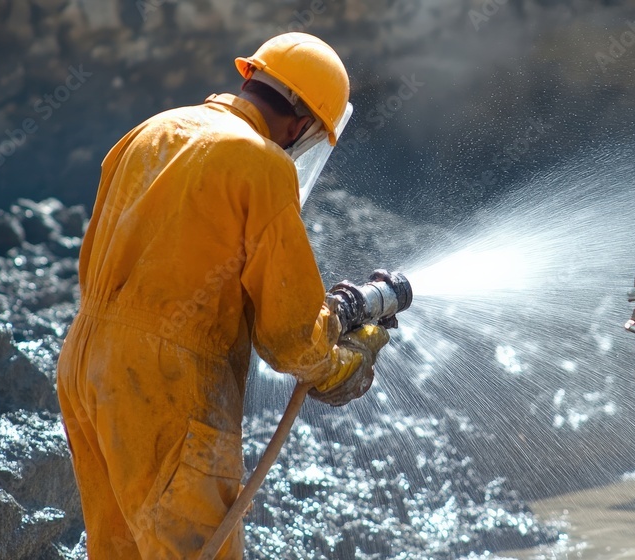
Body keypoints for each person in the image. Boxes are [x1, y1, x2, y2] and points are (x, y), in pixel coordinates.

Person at [56, 32, 390, 559]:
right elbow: (291, 338)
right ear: (301, 126)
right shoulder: (261, 164)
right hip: (165, 387)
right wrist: (345, 362)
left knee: (121, 549)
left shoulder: (153, 130)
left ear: (251, 78)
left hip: (85, 366)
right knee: (197, 549)